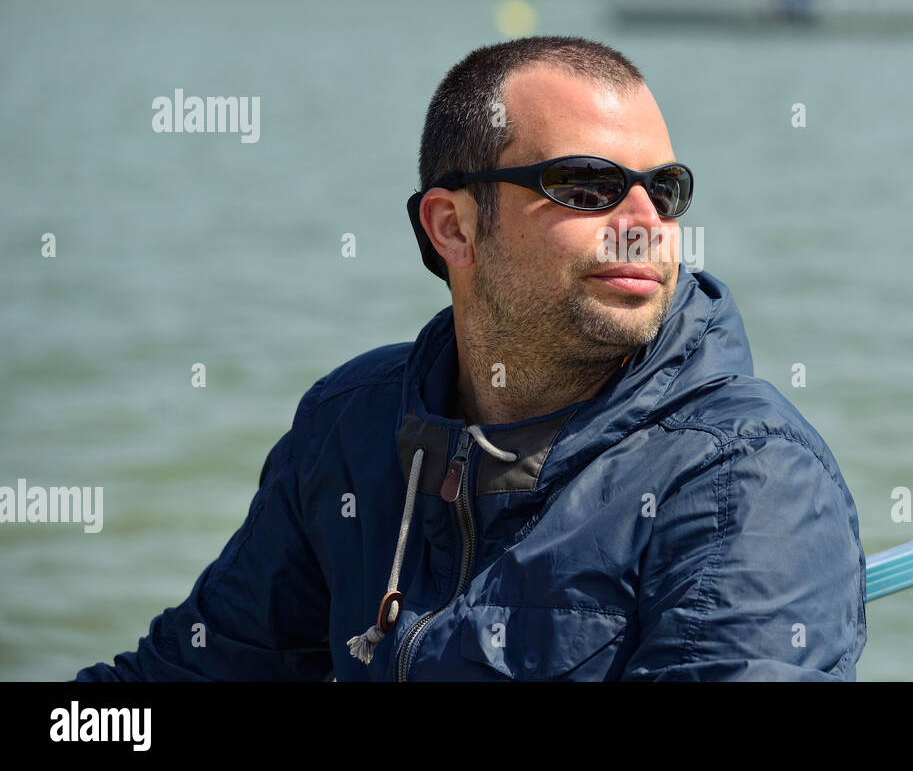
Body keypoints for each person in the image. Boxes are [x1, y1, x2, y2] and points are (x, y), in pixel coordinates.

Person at [76, 35, 868, 681]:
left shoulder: (746, 475)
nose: (643, 222)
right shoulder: (353, 425)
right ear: (452, 227)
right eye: (588, 185)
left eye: (665, 190)